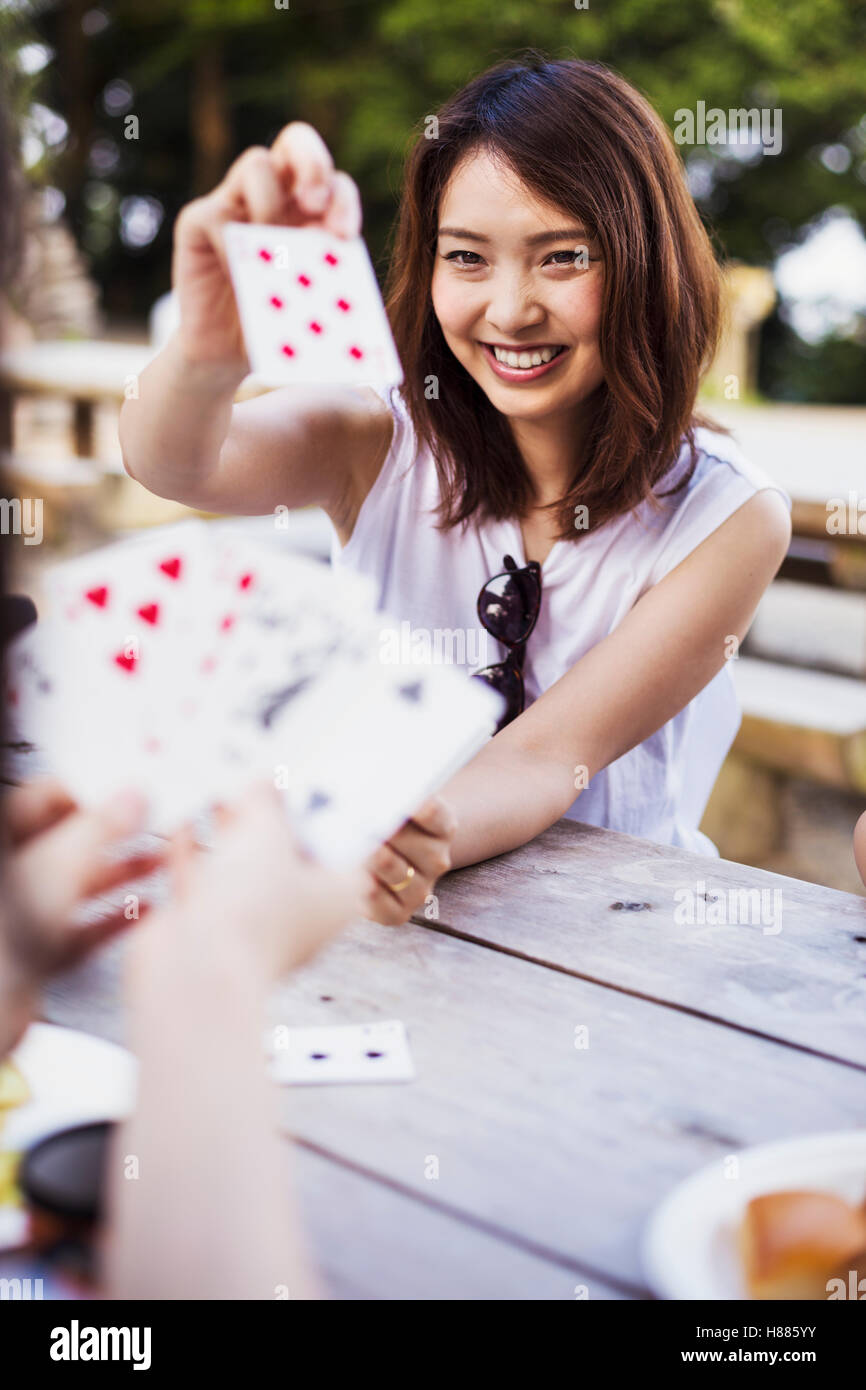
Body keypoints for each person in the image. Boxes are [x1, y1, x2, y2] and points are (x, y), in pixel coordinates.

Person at [119, 54, 792, 874]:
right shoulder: (377, 436)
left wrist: (403, 830)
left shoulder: (727, 515)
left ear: (645, 261)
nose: (510, 311)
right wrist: (207, 347)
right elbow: (175, 463)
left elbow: (546, 756)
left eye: (564, 256)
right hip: (386, 913)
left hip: (620, 941)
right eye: (467, 257)